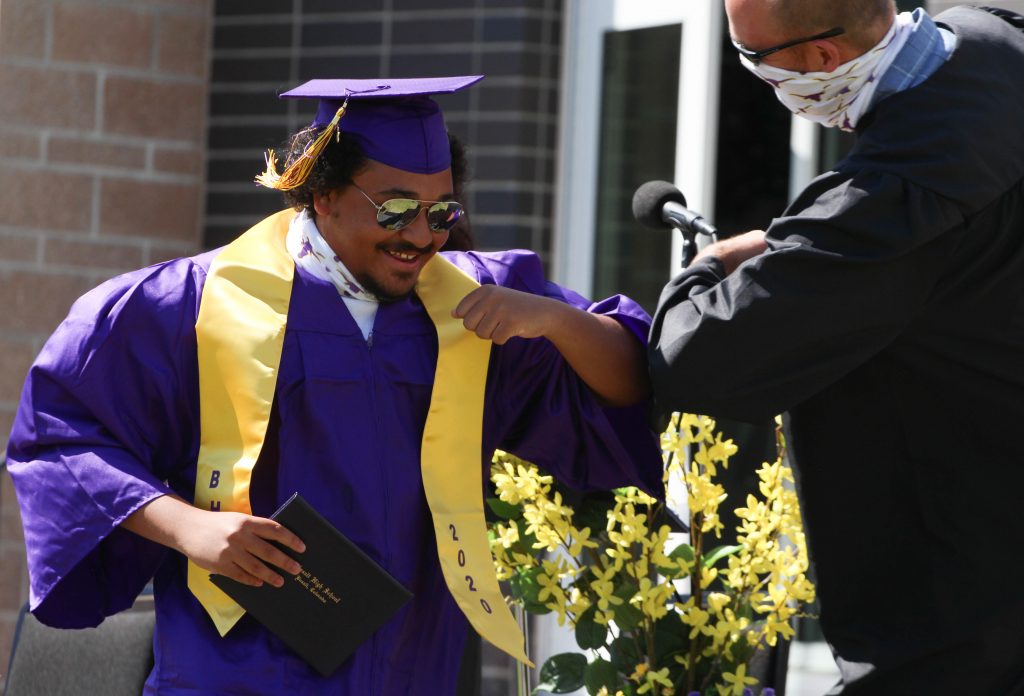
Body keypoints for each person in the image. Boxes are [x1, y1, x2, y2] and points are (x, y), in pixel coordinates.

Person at [6, 76, 662, 695]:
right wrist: (187, 529)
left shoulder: (473, 301)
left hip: (412, 661)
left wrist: (555, 321)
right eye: (397, 209)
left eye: (441, 212)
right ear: (324, 196)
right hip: (238, 670)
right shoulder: (191, 304)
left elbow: (629, 383)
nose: (420, 236)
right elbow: (61, 438)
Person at [649, 2, 1024, 694]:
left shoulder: (899, 198)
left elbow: (694, 360)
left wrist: (711, 265)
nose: (755, 77)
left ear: (823, 59)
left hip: (960, 628)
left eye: (751, 59)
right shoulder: (1000, 38)